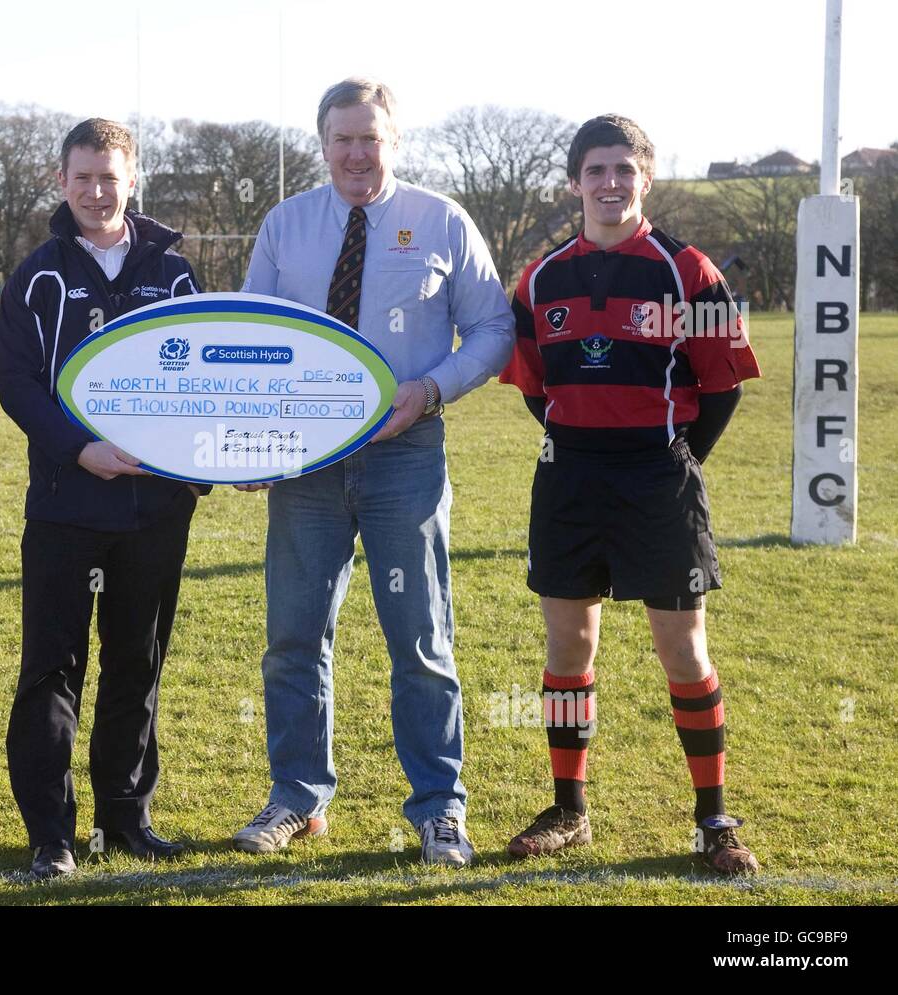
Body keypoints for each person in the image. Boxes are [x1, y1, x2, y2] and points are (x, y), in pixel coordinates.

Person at [232, 78, 515, 865]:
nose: (357, 153)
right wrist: (256, 440)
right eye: (343, 139)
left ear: (396, 140)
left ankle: (438, 808)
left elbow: (493, 326)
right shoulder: (286, 224)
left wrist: (430, 389)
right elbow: (251, 338)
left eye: (371, 138)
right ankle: (296, 796)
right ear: (321, 144)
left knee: (420, 637)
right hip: (307, 461)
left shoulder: (442, 221)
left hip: (406, 454)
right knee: (293, 636)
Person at [499, 114, 762, 874]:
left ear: (645, 177)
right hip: (569, 477)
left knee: (683, 651)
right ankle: (569, 807)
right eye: (595, 171)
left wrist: (675, 459)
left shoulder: (690, 271)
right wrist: (579, 438)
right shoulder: (540, 278)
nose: (609, 184)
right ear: (575, 181)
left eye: (624, 169)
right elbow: (534, 386)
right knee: (568, 646)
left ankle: (713, 815)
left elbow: (722, 387)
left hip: (659, 475)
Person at [0, 119, 205, 880]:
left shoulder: (176, 273)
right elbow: (17, 383)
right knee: (52, 667)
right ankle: (50, 832)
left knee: (136, 662)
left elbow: (207, 381)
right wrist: (80, 449)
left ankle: (126, 818)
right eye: (82, 177)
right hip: (64, 505)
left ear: (132, 178)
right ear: (62, 181)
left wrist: (208, 464)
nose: (95, 191)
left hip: (154, 509)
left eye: (108, 177)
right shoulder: (38, 275)